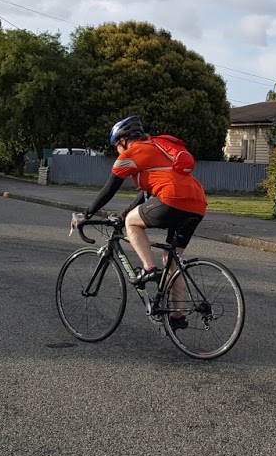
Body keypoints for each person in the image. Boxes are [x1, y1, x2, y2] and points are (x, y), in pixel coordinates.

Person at [78, 116, 208, 327]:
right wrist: (122, 214)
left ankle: (148, 269)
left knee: (132, 223)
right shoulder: (156, 149)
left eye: (115, 146)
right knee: (172, 263)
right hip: (197, 203)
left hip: (172, 198)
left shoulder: (132, 153)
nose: (116, 151)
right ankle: (177, 315)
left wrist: (87, 214)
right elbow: (145, 195)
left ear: (122, 141)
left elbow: (110, 188)